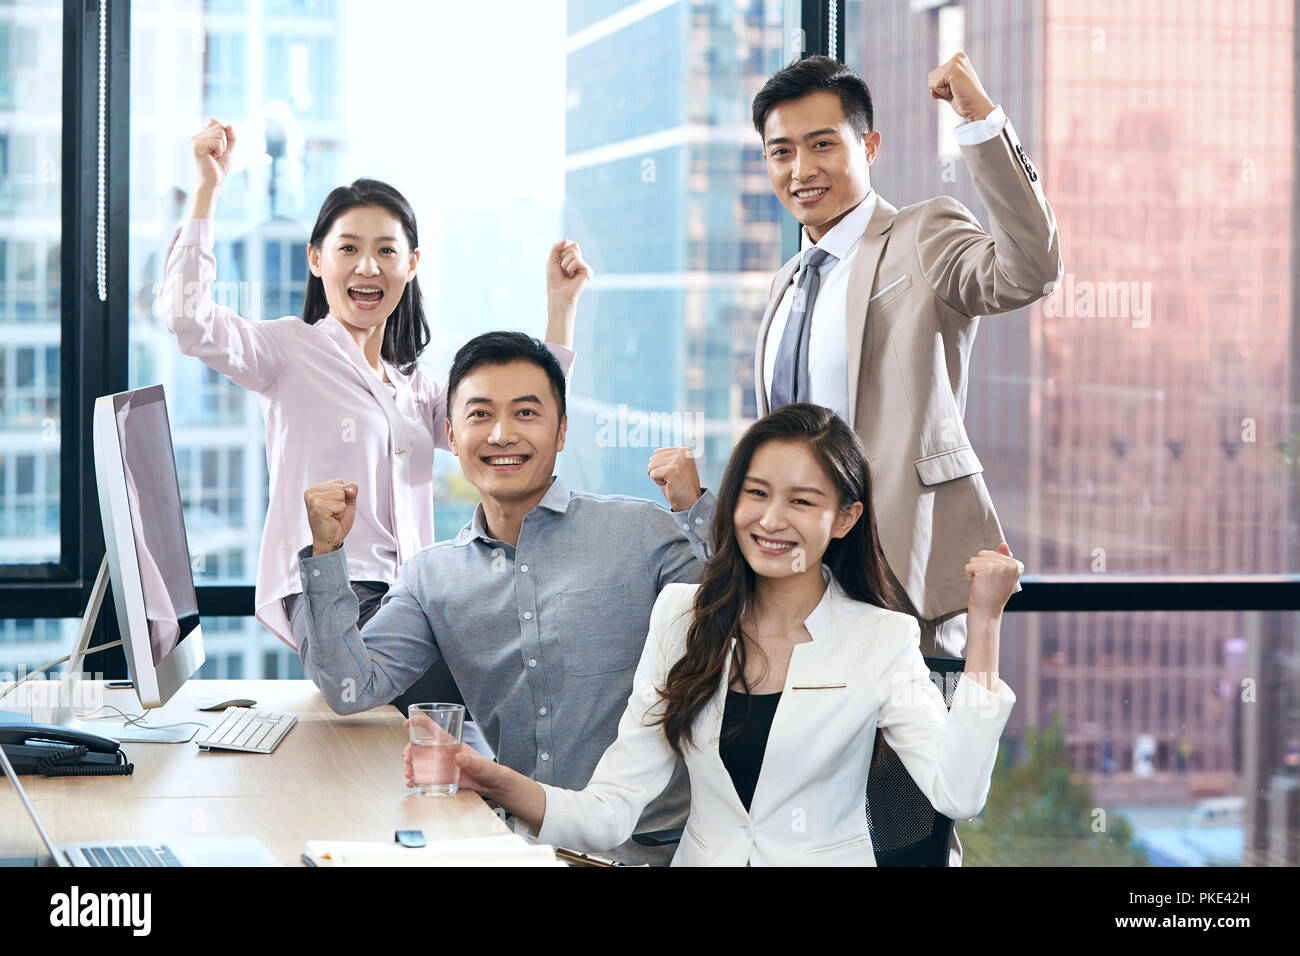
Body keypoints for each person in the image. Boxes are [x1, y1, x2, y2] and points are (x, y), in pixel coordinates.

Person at [438, 403, 1021, 866]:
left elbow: (958, 794)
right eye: (757, 493)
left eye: (802, 501)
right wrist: (493, 779)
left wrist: (985, 622)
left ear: (844, 518)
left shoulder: (882, 638)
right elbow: (612, 811)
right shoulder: (683, 616)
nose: (770, 521)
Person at [152, 119, 586, 656]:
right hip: (335, 592)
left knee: (524, 660)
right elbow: (186, 318)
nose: (367, 266)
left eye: (386, 251)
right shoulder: (288, 351)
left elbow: (524, 423)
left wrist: (561, 307)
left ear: (411, 265)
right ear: (316, 259)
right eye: (348, 248)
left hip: (412, 596)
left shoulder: (417, 390)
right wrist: (207, 188)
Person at [295, 331, 718, 866]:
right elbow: (351, 688)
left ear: (561, 430)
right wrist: (328, 553)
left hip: (656, 852)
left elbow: (734, 631)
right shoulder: (433, 577)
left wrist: (696, 513)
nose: (501, 434)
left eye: (525, 413)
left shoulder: (640, 532)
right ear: (451, 433)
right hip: (524, 848)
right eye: (479, 415)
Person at [750, 54, 1063, 659]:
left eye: (822, 144)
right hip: (794, 589)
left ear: (868, 146)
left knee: (904, 757)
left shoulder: (923, 234)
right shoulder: (786, 284)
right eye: (780, 152)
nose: (801, 169)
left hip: (898, 577)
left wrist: (980, 121)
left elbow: (1030, 269)